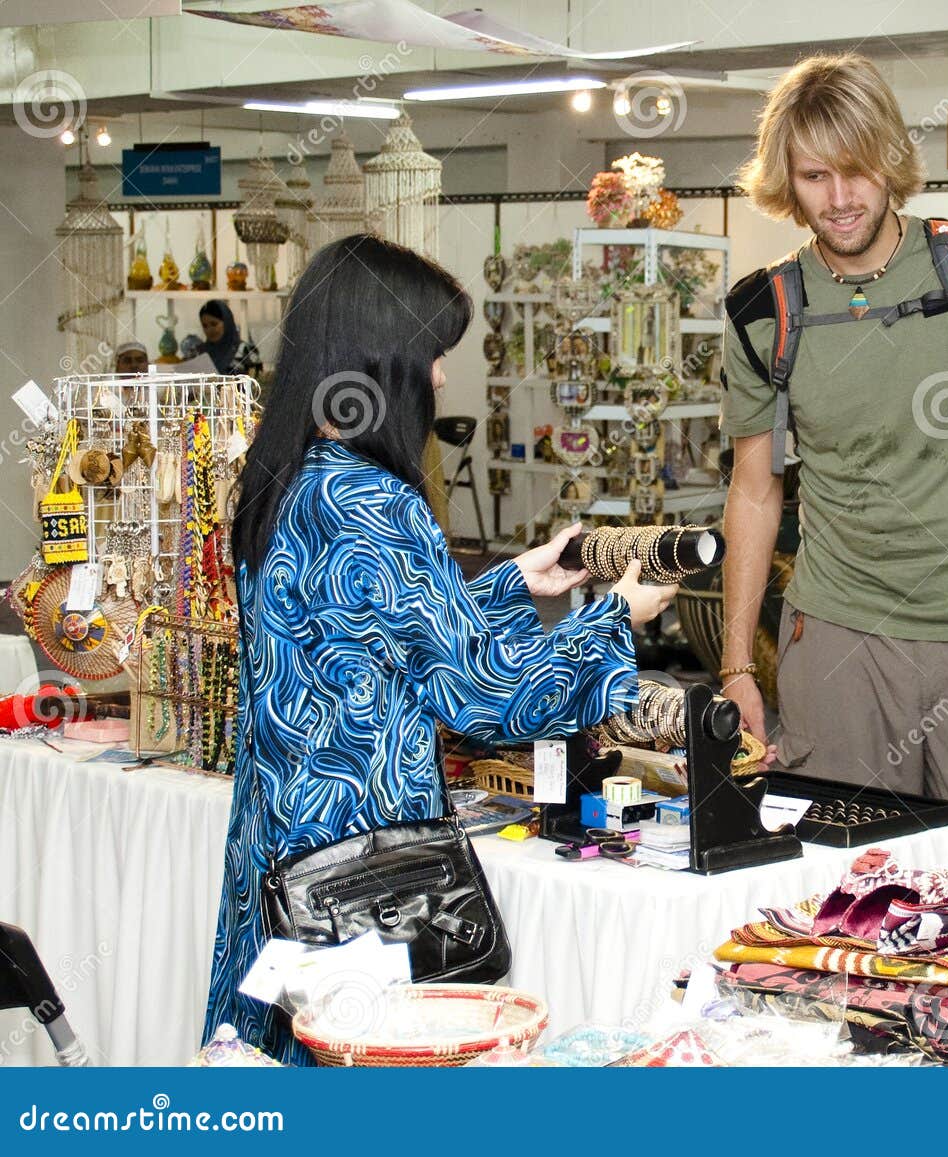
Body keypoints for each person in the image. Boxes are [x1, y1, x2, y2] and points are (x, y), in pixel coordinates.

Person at [204, 235, 677, 1063]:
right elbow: (482, 697)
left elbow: (375, 638)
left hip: (285, 844)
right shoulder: (376, 499)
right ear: (382, 360)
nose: (441, 376)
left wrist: (513, 581)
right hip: (364, 866)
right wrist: (617, 617)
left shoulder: (293, 476)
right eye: (431, 355)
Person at [718, 53, 948, 863]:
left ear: (890, 162)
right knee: (835, 895)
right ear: (787, 180)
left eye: (857, 171)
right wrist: (738, 663)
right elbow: (752, 493)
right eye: (814, 177)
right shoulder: (761, 312)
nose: (839, 199)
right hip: (836, 639)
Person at [197, 298, 263, 377]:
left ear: (227, 322)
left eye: (214, 324)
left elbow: (256, 384)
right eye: (205, 326)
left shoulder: (246, 351)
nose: (210, 330)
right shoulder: (199, 353)